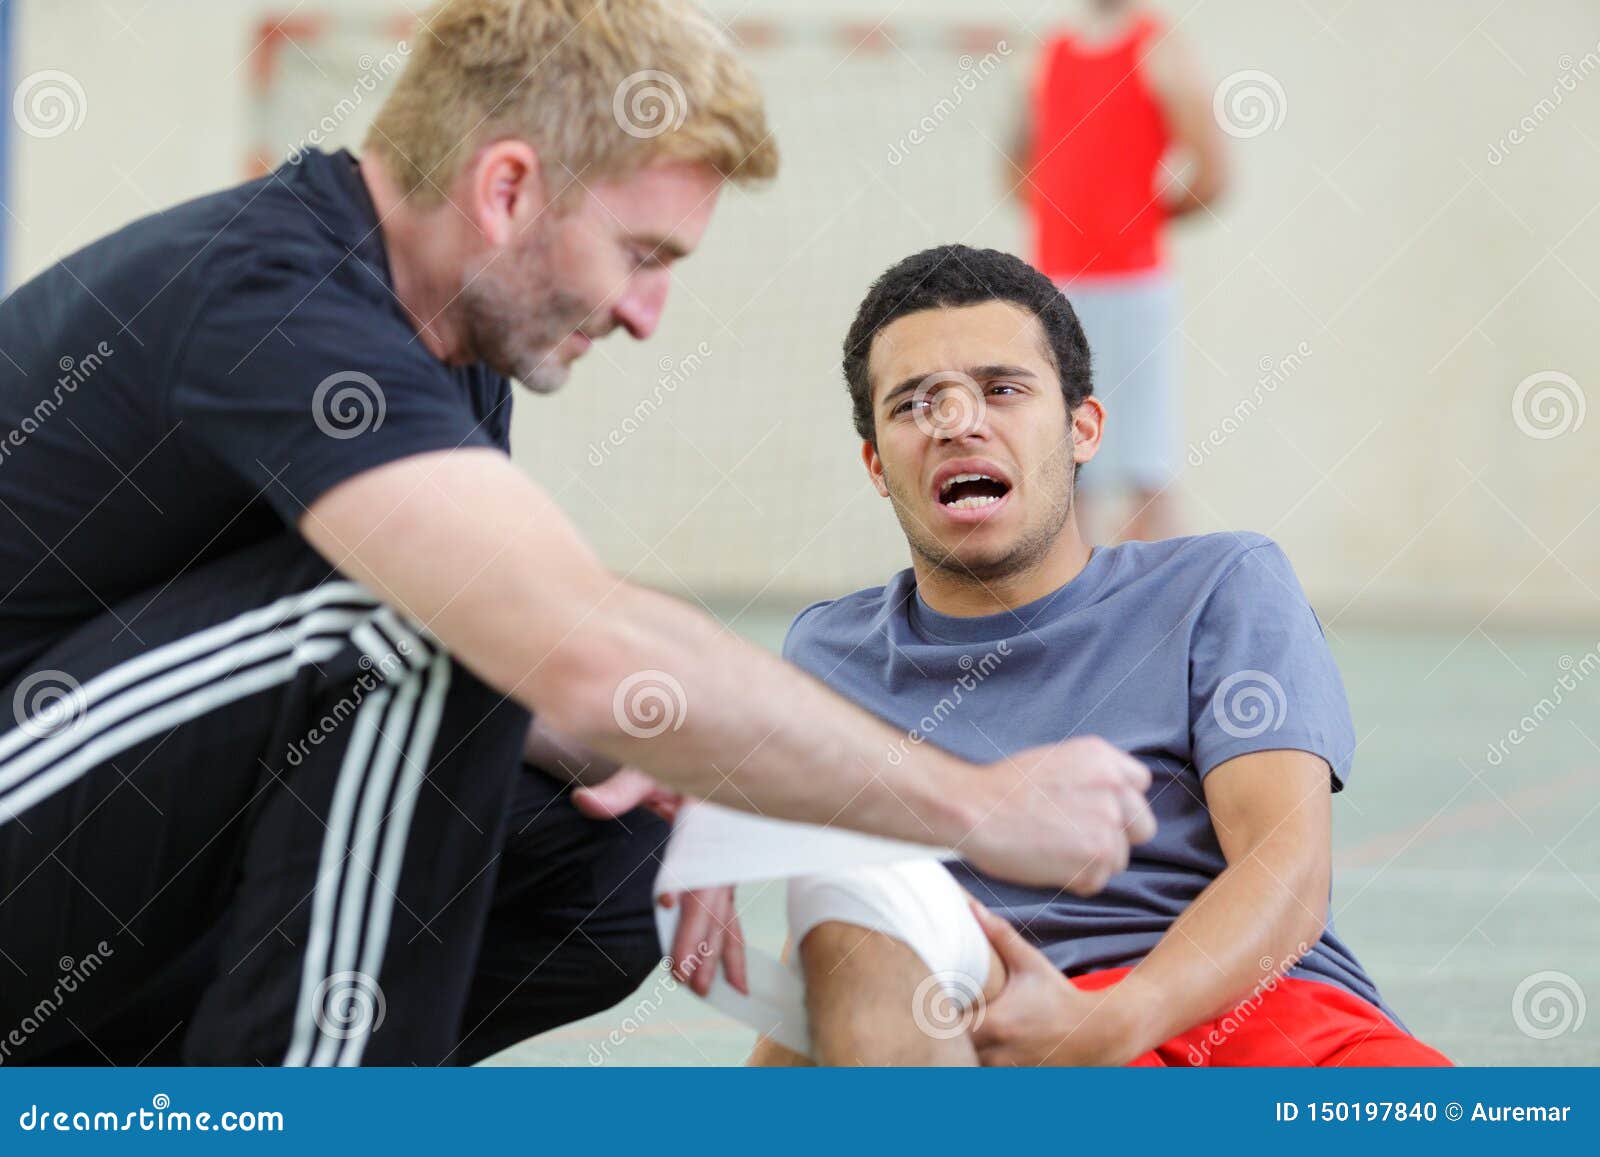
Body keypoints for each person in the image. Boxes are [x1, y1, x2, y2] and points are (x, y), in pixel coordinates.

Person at [0, 1, 1154, 1066]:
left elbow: (553, 668)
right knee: (420, 626)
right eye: (642, 255)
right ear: (506, 188)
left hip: (90, 870)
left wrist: (694, 766)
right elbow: (570, 641)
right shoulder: (273, 296)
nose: (644, 314)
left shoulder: (448, 355)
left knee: (608, 869)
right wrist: (981, 805)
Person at [741, 244, 1449, 1066]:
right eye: (912, 404)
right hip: (1004, 1046)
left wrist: (1113, 1024)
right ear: (876, 465)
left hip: (1261, 1018)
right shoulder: (831, 658)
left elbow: (1286, 865)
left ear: (1084, 429)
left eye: (1002, 389)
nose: (958, 422)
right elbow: (835, 947)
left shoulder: (1220, 585)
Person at [1009, 0, 1228, 542]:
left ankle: (1162, 612)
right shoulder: (1049, 51)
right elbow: (1021, 166)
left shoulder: (1158, 46)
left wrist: (1137, 219)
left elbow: (1212, 170)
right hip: (1058, 283)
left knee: (1144, 467)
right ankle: (1074, 613)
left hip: (1131, 289)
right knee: (1067, 467)